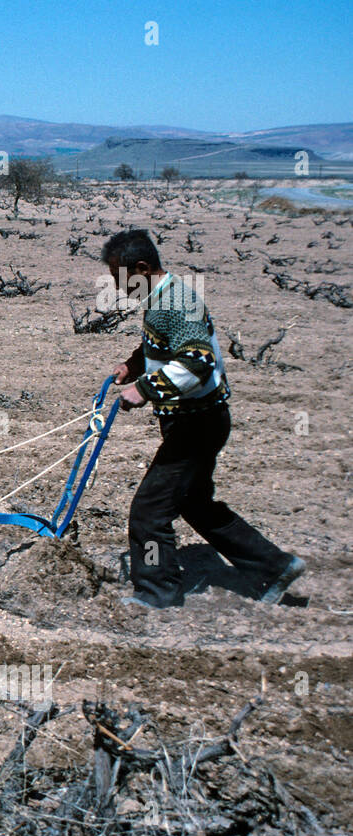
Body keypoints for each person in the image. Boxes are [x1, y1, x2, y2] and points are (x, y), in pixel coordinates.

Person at [102, 229, 305, 609]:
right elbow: (167, 344)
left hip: (198, 426)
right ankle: (275, 567)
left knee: (148, 512)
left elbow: (197, 360)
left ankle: (157, 593)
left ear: (142, 268)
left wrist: (145, 390)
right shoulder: (163, 295)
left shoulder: (175, 303)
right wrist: (135, 363)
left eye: (119, 277)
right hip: (200, 420)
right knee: (195, 503)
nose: (117, 286)